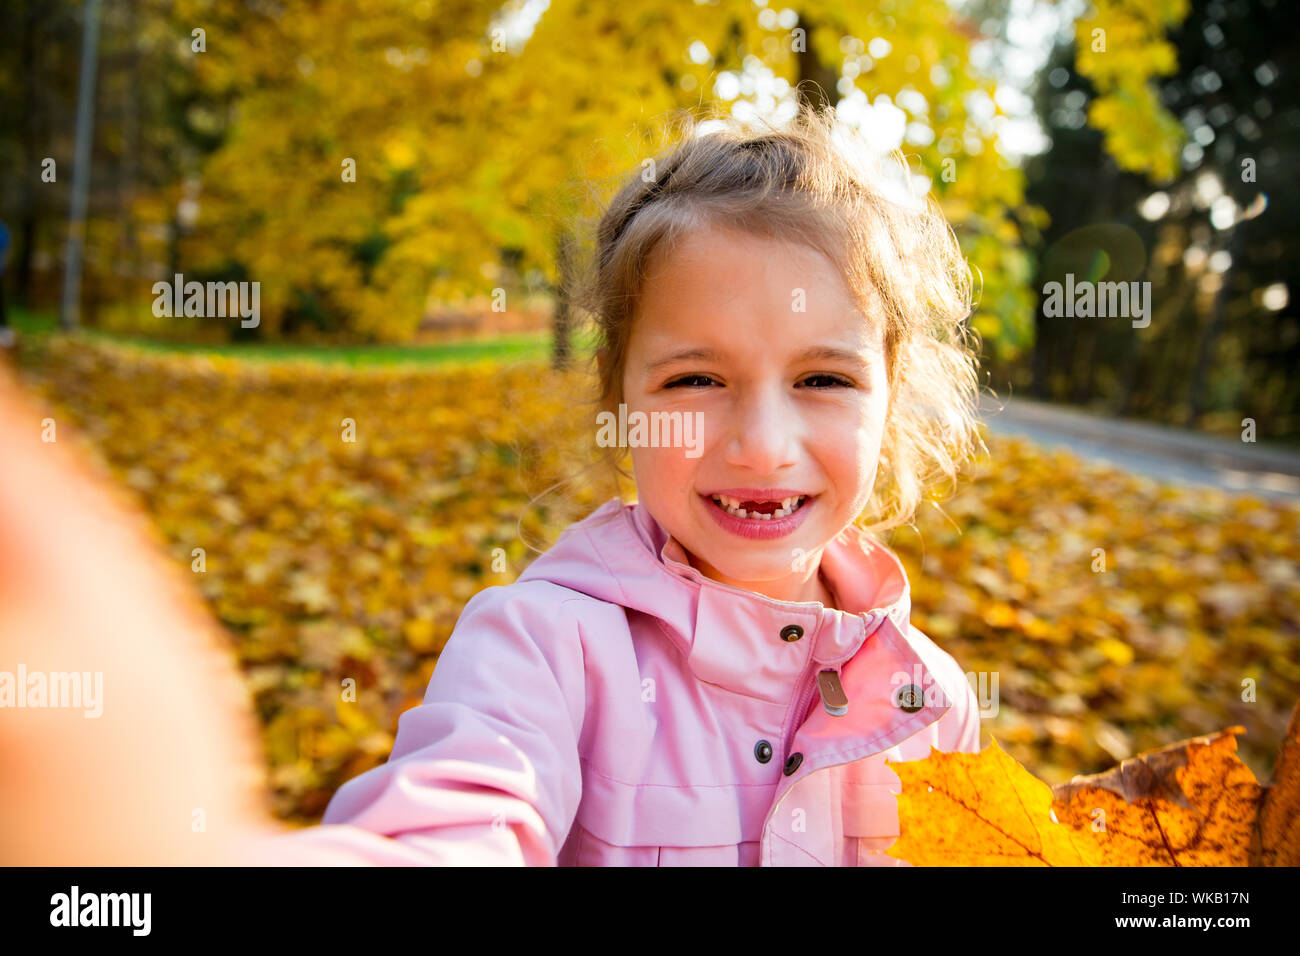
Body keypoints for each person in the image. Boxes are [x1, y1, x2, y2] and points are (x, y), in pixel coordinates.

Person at [251, 104, 987, 866]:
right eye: (696, 379)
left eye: (823, 378)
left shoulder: (929, 701)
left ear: (891, 395)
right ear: (620, 402)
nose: (763, 447)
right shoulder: (541, 652)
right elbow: (458, 821)